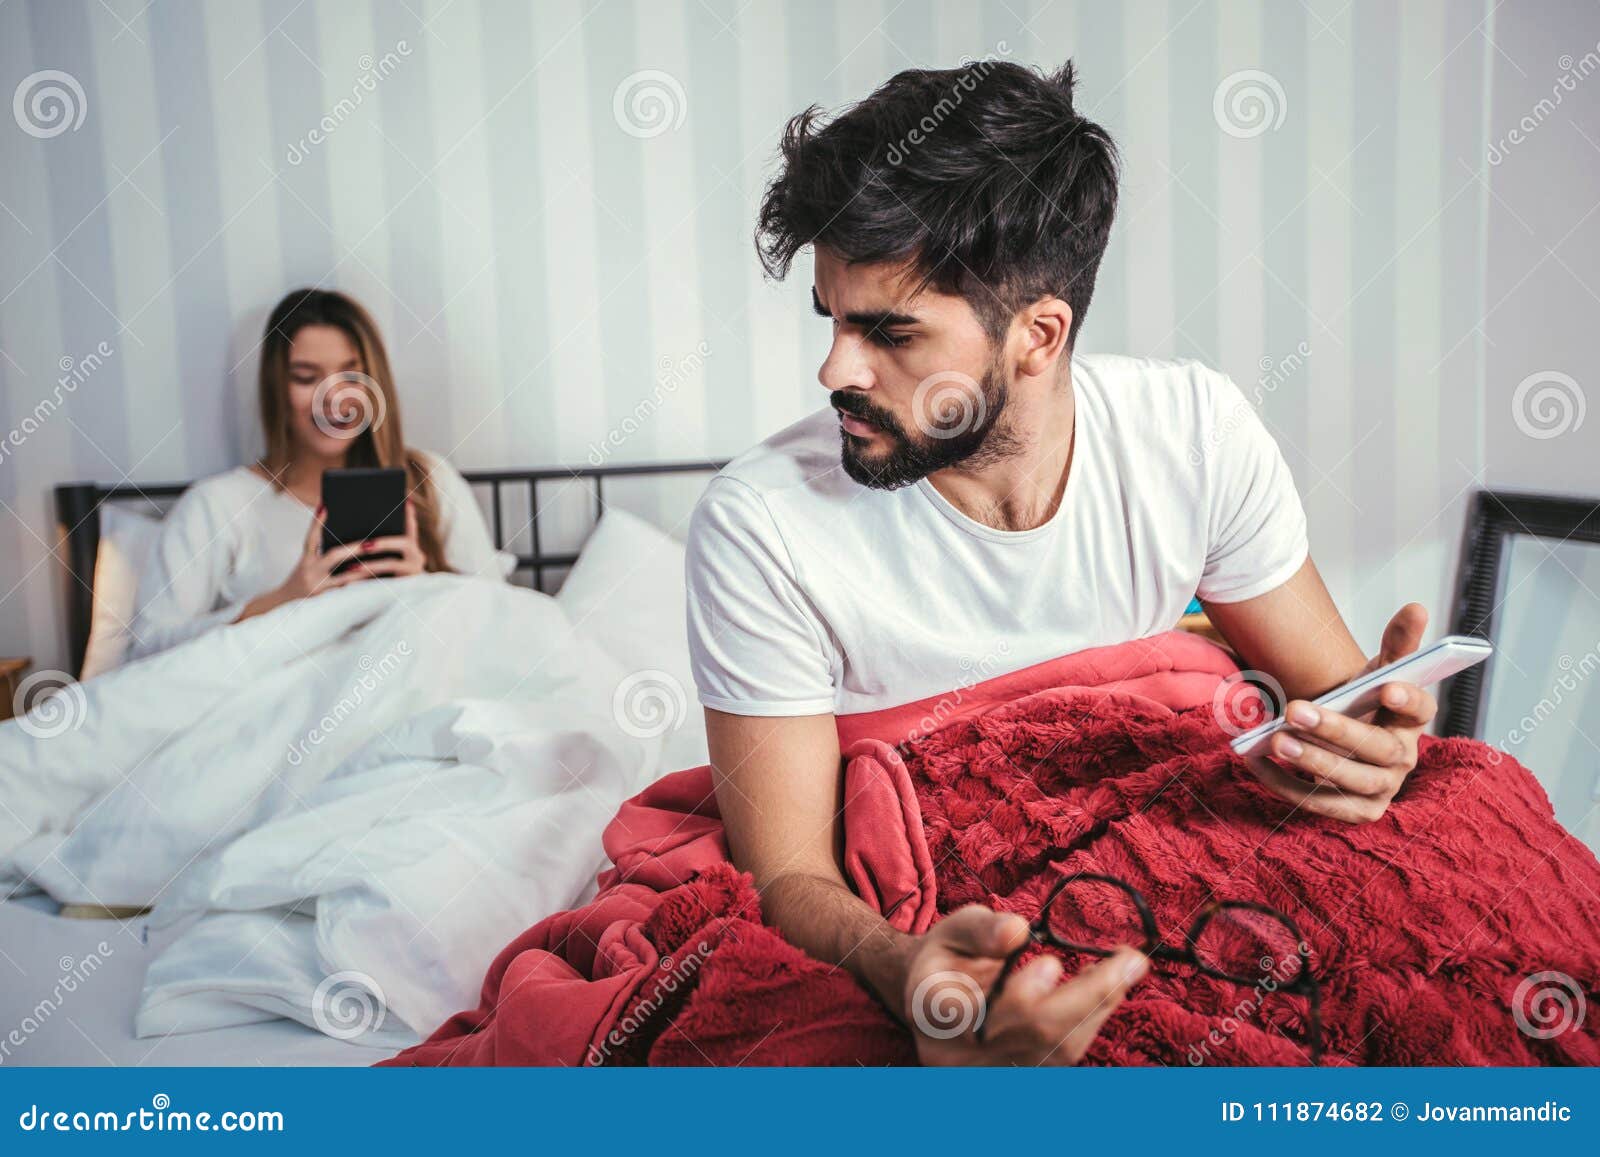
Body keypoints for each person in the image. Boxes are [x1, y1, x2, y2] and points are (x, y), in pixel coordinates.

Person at [684, 61, 1437, 1066]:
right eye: (830, 317)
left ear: (1038, 334)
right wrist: (909, 968)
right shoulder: (758, 524)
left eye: (887, 332)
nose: (836, 370)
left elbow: (1330, 704)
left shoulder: (1192, 431)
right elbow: (788, 878)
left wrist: (1370, 751)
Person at [131, 288, 502, 658]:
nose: (333, 397)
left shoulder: (430, 481)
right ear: (277, 388)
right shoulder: (218, 505)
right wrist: (284, 598)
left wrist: (422, 589)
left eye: (351, 375)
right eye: (306, 378)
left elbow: (498, 623)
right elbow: (148, 651)